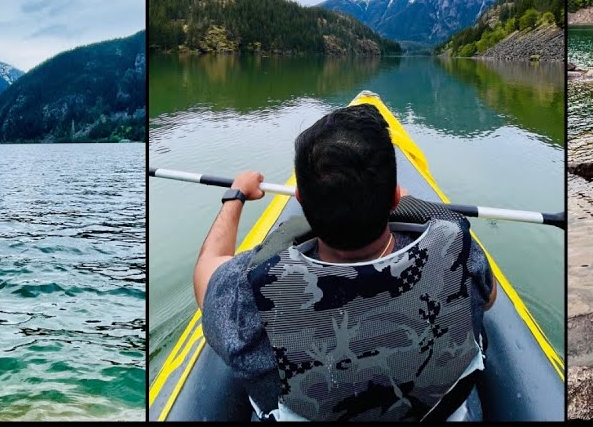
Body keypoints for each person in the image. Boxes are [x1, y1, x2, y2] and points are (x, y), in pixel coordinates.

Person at [194, 103, 497, 421]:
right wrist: (406, 204)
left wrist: (236, 196)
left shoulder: (252, 287)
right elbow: (489, 299)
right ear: (395, 198)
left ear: (299, 200)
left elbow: (207, 273)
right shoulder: (454, 245)